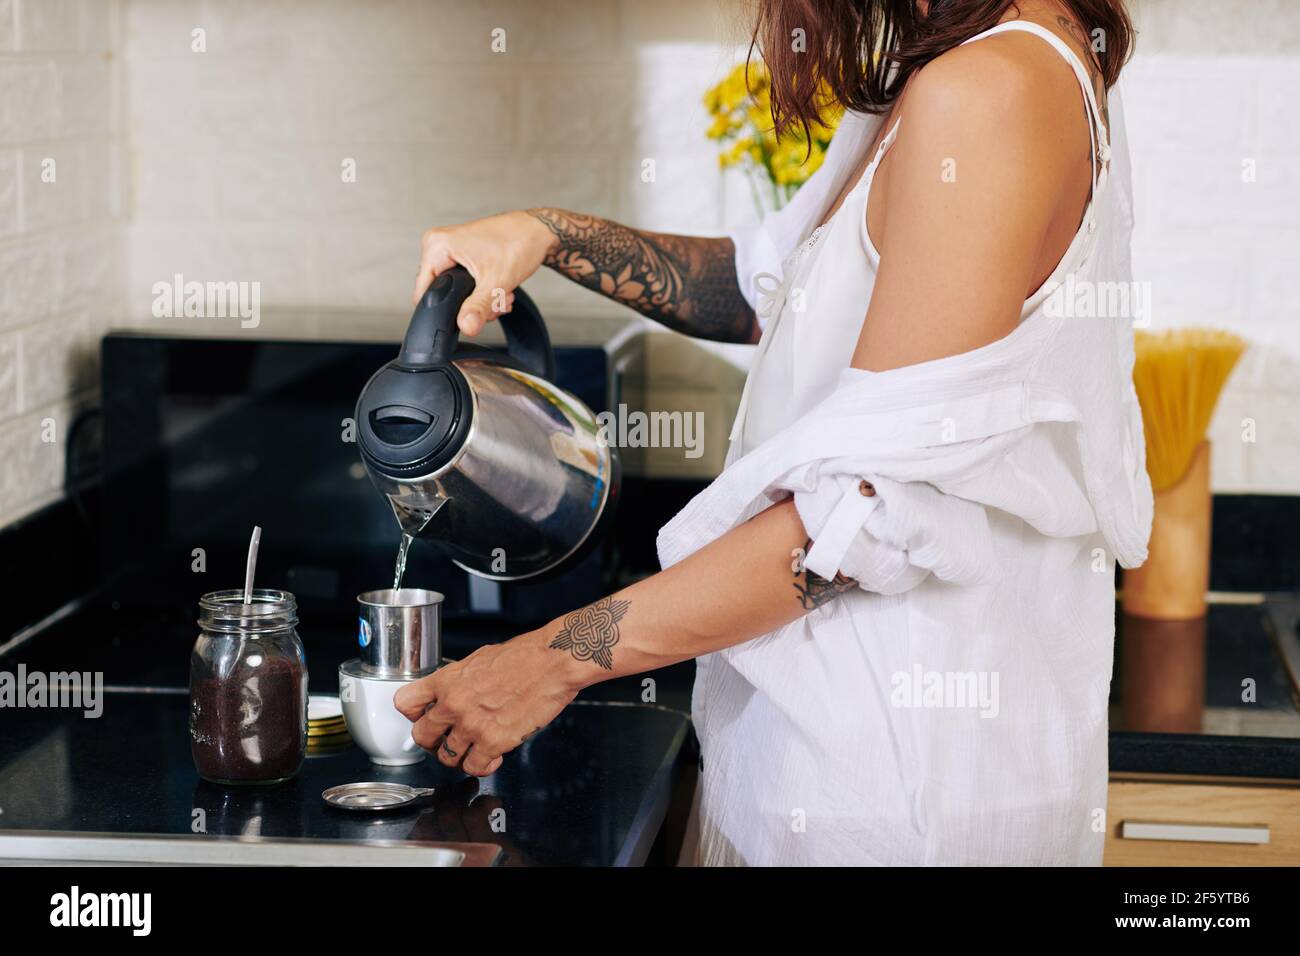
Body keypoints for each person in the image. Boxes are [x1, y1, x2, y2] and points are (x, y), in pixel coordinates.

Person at [394, 0, 1152, 866]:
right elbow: (768, 286)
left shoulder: (989, 90)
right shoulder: (969, 66)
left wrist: (550, 660)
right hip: (853, 774)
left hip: (892, 805)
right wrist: (546, 234)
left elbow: (862, 519)